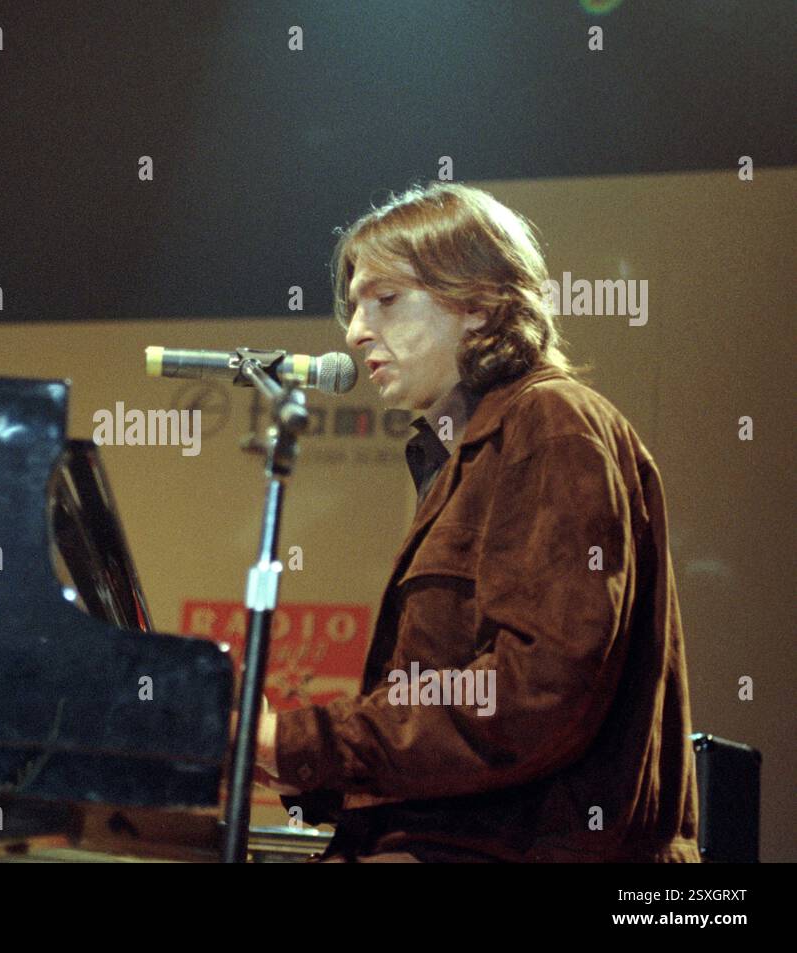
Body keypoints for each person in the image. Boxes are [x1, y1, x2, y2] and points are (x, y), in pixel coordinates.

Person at [251, 182, 700, 862]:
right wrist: (282, 757)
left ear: (479, 305)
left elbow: (534, 696)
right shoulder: (466, 446)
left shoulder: (553, 423)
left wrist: (292, 743)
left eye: (387, 298)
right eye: (353, 304)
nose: (354, 329)